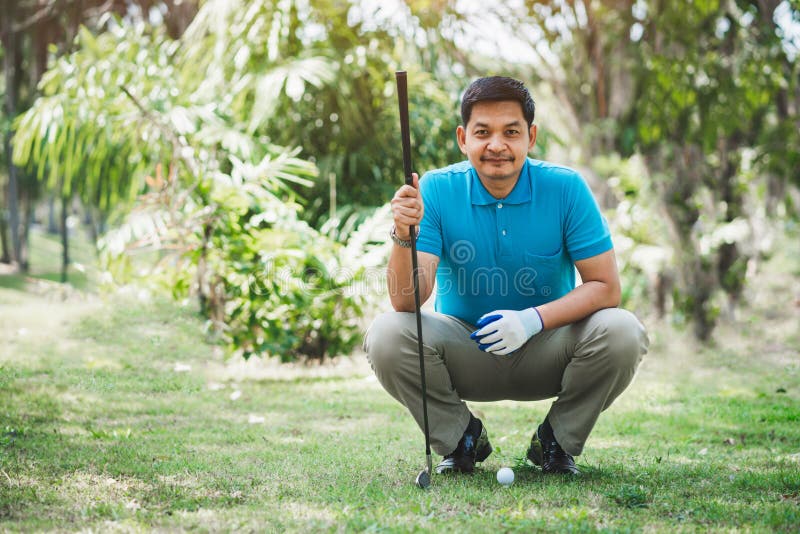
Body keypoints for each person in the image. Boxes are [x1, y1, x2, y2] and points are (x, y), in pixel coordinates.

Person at [364, 76, 649, 476]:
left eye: (511, 132)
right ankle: (460, 439)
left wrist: (532, 320)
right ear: (463, 139)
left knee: (623, 331)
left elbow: (606, 288)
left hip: (549, 347)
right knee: (386, 334)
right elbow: (406, 301)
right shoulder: (436, 189)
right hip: (465, 350)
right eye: (483, 132)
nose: (496, 145)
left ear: (531, 137)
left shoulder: (566, 188)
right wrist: (403, 233)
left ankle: (556, 441)